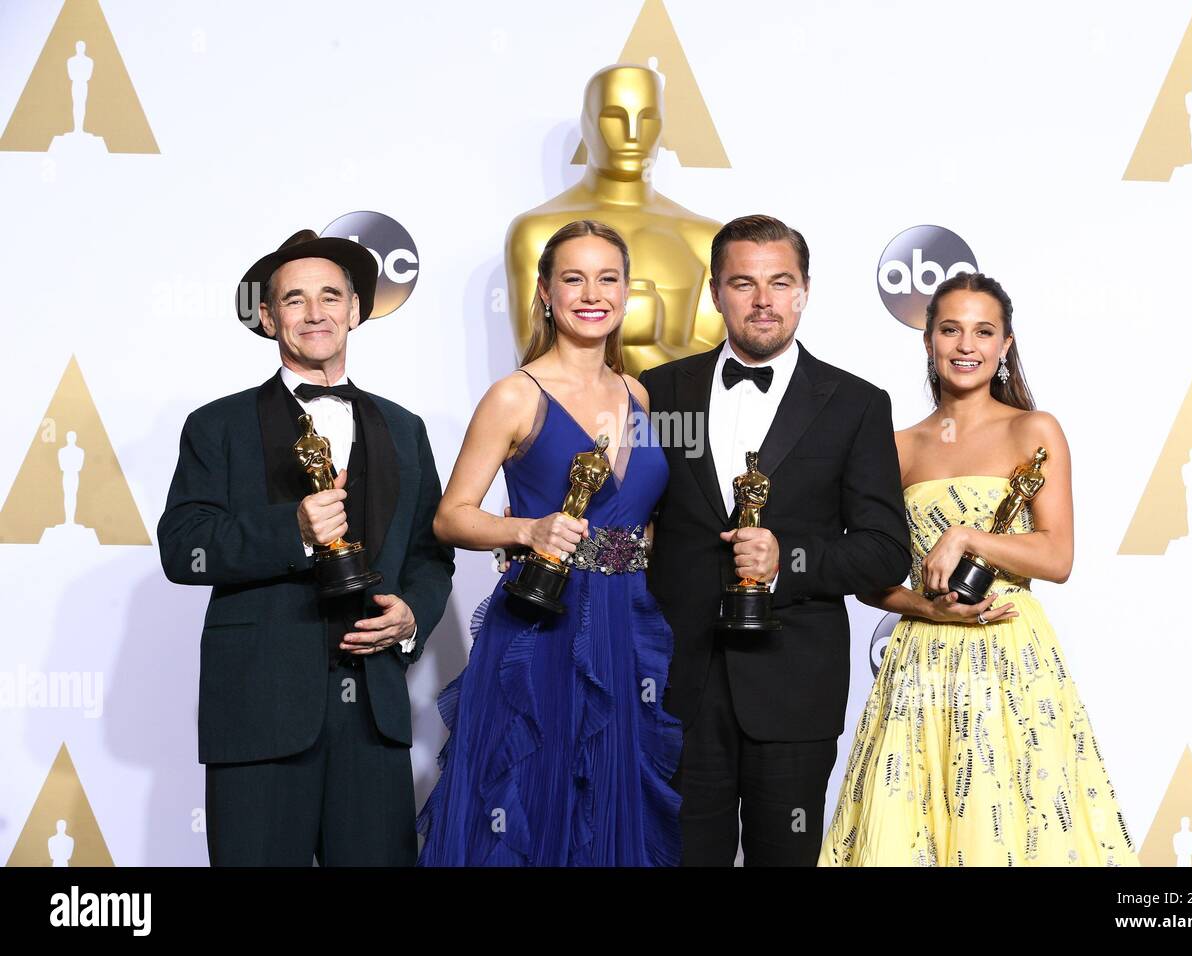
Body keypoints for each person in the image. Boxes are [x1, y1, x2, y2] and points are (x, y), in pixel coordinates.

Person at [820, 272, 1138, 866]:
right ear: (928, 341)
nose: (966, 345)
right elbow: (869, 577)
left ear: (1005, 345)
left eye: (983, 331)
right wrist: (926, 606)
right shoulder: (896, 446)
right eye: (950, 330)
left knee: (1009, 821)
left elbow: (1057, 556)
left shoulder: (1033, 430)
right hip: (920, 657)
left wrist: (967, 538)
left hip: (1009, 647)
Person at [158, 229, 455, 866]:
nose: (315, 313)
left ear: (355, 309)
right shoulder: (217, 425)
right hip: (258, 714)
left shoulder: (405, 429)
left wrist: (410, 619)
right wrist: (290, 529)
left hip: (374, 715)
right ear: (268, 318)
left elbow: (431, 555)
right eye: (294, 300)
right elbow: (183, 549)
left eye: (330, 296)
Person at [640, 214, 911, 866]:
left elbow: (884, 547)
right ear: (714, 292)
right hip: (679, 684)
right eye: (743, 282)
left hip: (794, 690)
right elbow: (637, 517)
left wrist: (786, 560)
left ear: (804, 291)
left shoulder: (855, 404)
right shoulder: (661, 393)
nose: (763, 300)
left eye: (780, 282)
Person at [416, 219, 682, 866]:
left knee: (617, 798)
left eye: (607, 278)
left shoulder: (639, 394)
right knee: (534, 796)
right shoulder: (515, 395)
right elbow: (451, 517)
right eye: (573, 278)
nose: (592, 294)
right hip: (545, 623)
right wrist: (525, 530)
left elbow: (645, 518)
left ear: (626, 293)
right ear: (544, 293)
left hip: (630, 627)